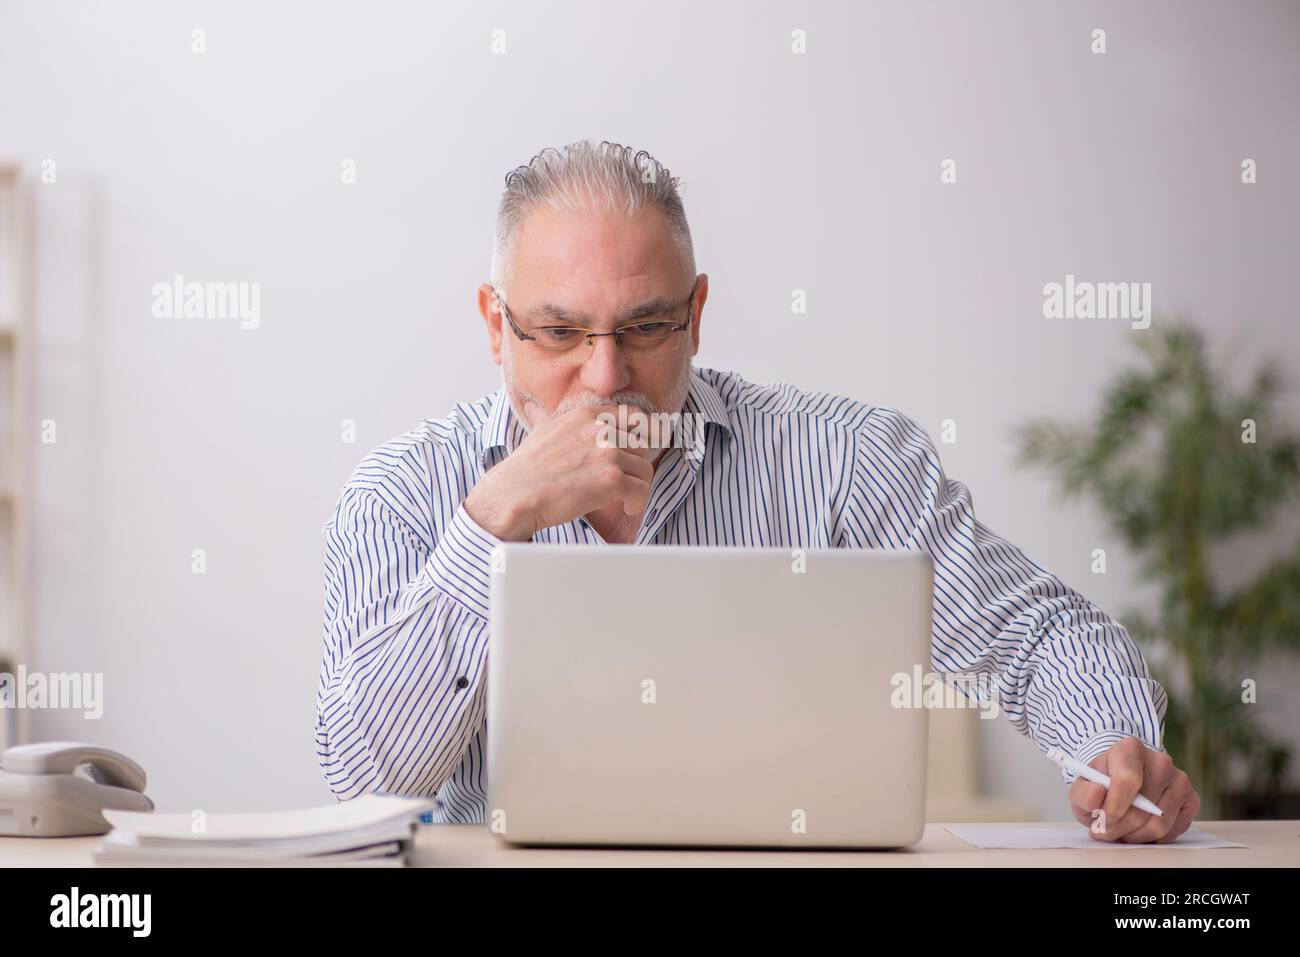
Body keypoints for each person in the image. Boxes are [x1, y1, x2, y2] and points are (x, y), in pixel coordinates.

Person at [315, 139, 1199, 842]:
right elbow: (366, 775)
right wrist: (495, 517)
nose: (605, 376)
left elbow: (1033, 631)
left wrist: (1112, 751)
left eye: (646, 326)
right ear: (494, 326)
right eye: (558, 332)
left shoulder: (847, 459)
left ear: (696, 315)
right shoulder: (404, 493)